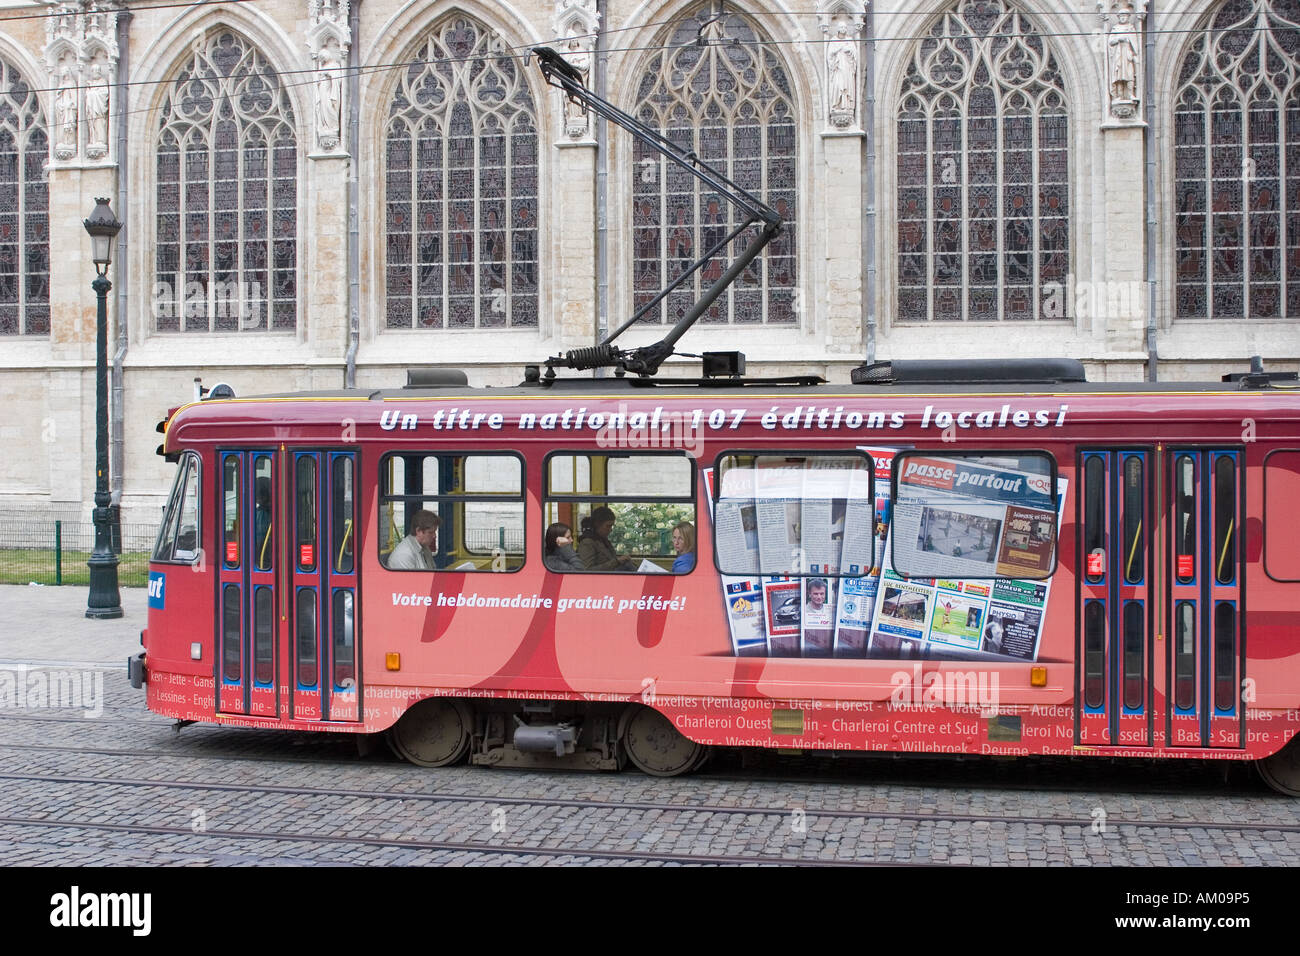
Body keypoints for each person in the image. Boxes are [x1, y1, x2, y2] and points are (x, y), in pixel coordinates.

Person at [578, 506, 636, 571]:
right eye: (608, 526)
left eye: (611, 526)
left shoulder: (603, 540)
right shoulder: (587, 543)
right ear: (597, 524)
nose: (610, 530)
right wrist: (617, 561)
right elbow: (587, 570)